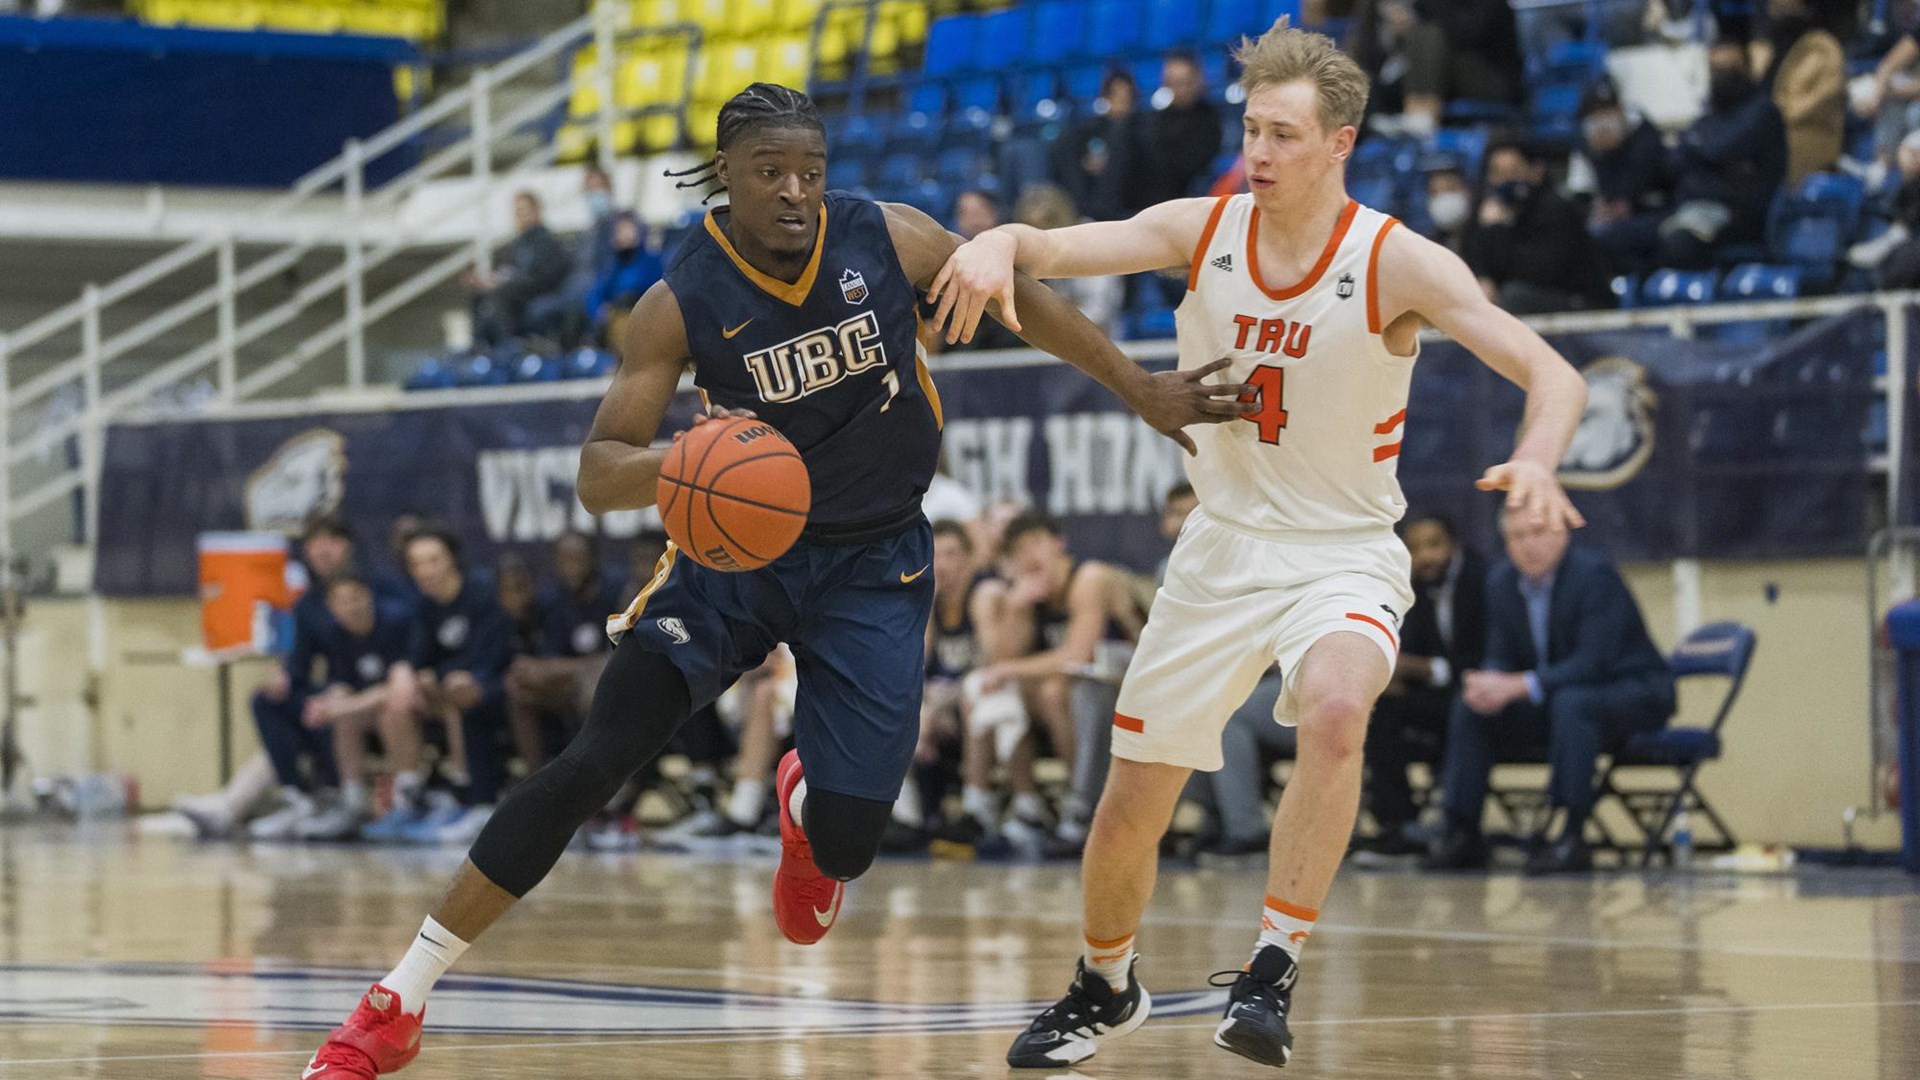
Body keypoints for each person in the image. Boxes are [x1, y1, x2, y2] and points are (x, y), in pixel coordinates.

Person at [305, 82, 1246, 1078]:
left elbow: (1030, 305)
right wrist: (690, 460)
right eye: (770, 173)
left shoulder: (892, 239)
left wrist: (1143, 388)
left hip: (875, 563)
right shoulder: (681, 301)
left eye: (811, 170)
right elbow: (595, 472)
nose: (796, 191)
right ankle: (397, 1000)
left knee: (846, 845)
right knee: (594, 760)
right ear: (728, 177)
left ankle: (805, 812)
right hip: (734, 561)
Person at [929, 23, 1588, 1070]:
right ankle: (1105, 987)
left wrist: (1542, 459)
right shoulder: (1206, 229)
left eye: (1283, 134)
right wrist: (1002, 241)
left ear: (1341, 142)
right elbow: (1057, 249)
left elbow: (1556, 376)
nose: (1261, 152)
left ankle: (1273, 968)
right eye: (1250, 129)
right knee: (1129, 804)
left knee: (1335, 711)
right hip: (1221, 549)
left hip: (1341, 553)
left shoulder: (1393, 260)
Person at [1425, 511, 1675, 876]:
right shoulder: (1501, 583)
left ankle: (1572, 835)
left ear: (1561, 534)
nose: (1528, 545)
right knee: (1472, 707)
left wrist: (1517, 685)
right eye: (1517, 536)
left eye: (1537, 533)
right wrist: (1489, 683)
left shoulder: (1594, 576)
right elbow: (1501, 654)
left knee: (1573, 703)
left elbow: (1593, 663)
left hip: (1630, 693)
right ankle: (1461, 831)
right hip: (1557, 702)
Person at [179, 515, 360, 840]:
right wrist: (285, 677)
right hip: (329, 693)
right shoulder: (308, 604)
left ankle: (233, 806)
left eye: (330, 541)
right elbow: (301, 662)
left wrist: (347, 691)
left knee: (329, 710)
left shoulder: (379, 591)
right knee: (270, 701)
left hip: (364, 692)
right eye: (315, 542)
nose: (322, 550)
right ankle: (295, 796)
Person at [973, 512, 1142, 852]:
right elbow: (998, 662)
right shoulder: (1031, 593)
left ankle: (1082, 806)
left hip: (1137, 683)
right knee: (1010, 691)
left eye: (1036, 544)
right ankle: (1021, 806)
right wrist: (1014, 608)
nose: (1030, 556)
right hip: (1081, 693)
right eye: (1019, 550)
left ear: (1059, 544)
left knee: (1055, 690)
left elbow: (1077, 656)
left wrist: (1010, 670)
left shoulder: (1089, 577)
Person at [360, 528, 515, 847]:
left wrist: (440, 675)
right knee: (395, 704)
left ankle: (464, 800)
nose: (425, 570)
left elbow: (492, 656)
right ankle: (406, 800)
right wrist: (408, 673)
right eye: (417, 564)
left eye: (433, 561)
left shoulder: (482, 594)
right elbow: (417, 658)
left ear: (452, 560)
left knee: (457, 693)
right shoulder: (424, 605)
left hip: (495, 686)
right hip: (447, 689)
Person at [1358, 514, 1487, 855]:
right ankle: (1397, 824)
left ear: (1454, 545)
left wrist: (1426, 669)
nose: (1425, 556)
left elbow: (1489, 657)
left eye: (1434, 545)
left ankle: (1461, 831)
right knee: (1379, 709)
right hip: (1438, 696)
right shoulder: (1409, 586)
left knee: (1465, 709)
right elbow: (1408, 651)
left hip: (1483, 696)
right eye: (1414, 548)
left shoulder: (1483, 580)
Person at [295, 575, 416, 841]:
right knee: (346, 719)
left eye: (354, 598)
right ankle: (353, 804)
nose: (350, 607)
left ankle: (406, 803)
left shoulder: (395, 624)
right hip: (370, 706)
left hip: (415, 704)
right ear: (331, 607)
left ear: (368, 596)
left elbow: (399, 689)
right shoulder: (337, 634)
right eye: (341, 602)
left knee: (392, 710)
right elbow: (342, 684)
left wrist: (343, 707)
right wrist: (324, 705)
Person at [1658, 38, 1787, 270]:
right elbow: (1674, 160)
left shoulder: (1763, 112)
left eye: (1729, 69)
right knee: (1621, 236)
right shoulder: (1709, 115)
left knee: (1678, 245)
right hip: (1692, 210)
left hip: (1742, 216)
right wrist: (1703, 153)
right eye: (1716, 69)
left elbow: (1720, 148)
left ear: (1746, 69)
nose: (1722, 76)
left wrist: (1699, 150)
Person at [505, 531, 625, 771]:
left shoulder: (618, 590)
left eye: (578, 560)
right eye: (565, 561)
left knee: (595, 688)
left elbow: (620, 658)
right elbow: (548, 661)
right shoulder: (553, 599)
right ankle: (537, 780)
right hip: (569, 685)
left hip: (615, 686)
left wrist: (576, 668)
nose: (572, 568)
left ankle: (605, 781)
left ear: (593, 559)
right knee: (519, 688)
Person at [1464, 141, 1613, 314]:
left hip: (1579, 299)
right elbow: (1474, 259)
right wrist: (1483, 278)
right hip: (1531, 296)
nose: (1505, 181)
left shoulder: (1555, 208)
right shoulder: (1487, 211)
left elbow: (1540, 273)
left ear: (1536, 171)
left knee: (1514, 297)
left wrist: (1500, 229)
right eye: (1497, 173)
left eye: (1514, 171)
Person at [1574, 79, 1674, 278]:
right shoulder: (1585, 144)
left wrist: (1613, 153)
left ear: (1620, 108)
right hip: (1612, 220)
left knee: (1604, 237)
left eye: (1608, 110)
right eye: (1596, 113)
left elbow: (1640, 187)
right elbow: (1581, 195)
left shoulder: (1646, 135)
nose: (1602, 120)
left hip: (1655, 212)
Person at [1014, 184, 1124, 341]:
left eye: (1045, 223)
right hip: (1057, 342)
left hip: (1104, 339)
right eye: (1032, 227)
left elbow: (1100, 311)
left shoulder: (1090, 238)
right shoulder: (1033, 255)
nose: (1039, 233)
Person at [465, 190, 573, 348]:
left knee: (501, 292)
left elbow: (546, 276)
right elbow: (508, 270)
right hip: (515, 288)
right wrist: (492, 280)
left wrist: (509, 281)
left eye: (525, 211)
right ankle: (479, 349)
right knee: (479, 296)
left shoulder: (548, 241)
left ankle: (508, 346)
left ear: (537, 211)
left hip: (538, 288)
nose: (521, 216)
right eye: (518, 212)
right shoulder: (515, 245)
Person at [1759, 0, 1844, 187]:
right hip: (1760, 138)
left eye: (1787, 8)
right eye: (1776, 8)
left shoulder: (1824, 49)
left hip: (1806, 142)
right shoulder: (1762, 49)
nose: (1780, 12)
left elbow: (1824, 98)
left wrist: (1772, 118)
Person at [1125, 52, 1222, 214]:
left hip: (1184, 195)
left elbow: (1195, 164)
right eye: (1171, 83)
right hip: (1146, 194)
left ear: (1196, 80)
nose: (1178, 89)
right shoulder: (1155, 119)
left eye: (1183, 82)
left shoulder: (1208, 117)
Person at [1053, 70, 1137, 223]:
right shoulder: (1094, 127)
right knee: (1064, 143)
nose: (1121, 102)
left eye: (1125, 97)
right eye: (1116, 96)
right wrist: (1087, 160)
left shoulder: (1139, 128)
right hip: (1090, 189)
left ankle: (1097, 213)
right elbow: (1087, 148)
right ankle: (1082, 212)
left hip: (1128, 192)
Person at [583, 214, 665, 345]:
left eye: (629, 230)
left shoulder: (651, 261)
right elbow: (596, 292)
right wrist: (599, 310)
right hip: (611, 320)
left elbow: (648, 290)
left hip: (639, 317)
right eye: (620, 231)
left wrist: (617, 305)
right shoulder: (611, 264)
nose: (625, 235)